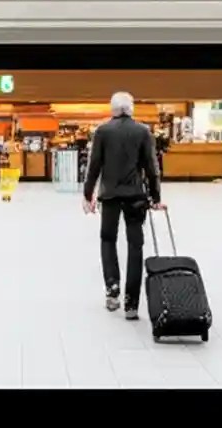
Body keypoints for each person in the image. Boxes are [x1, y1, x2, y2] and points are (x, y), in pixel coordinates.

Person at [82, 92, 163, 321]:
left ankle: (112, 288)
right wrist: (156, 197)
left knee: (108, 240)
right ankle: (132, 303)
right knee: (135, 245)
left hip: (109, 196)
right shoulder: (143, 131)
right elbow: (151, 167)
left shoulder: (103, 131)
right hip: (136, 196)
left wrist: (88, 194)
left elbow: (94, 166)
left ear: (113, 109)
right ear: (131, 109)